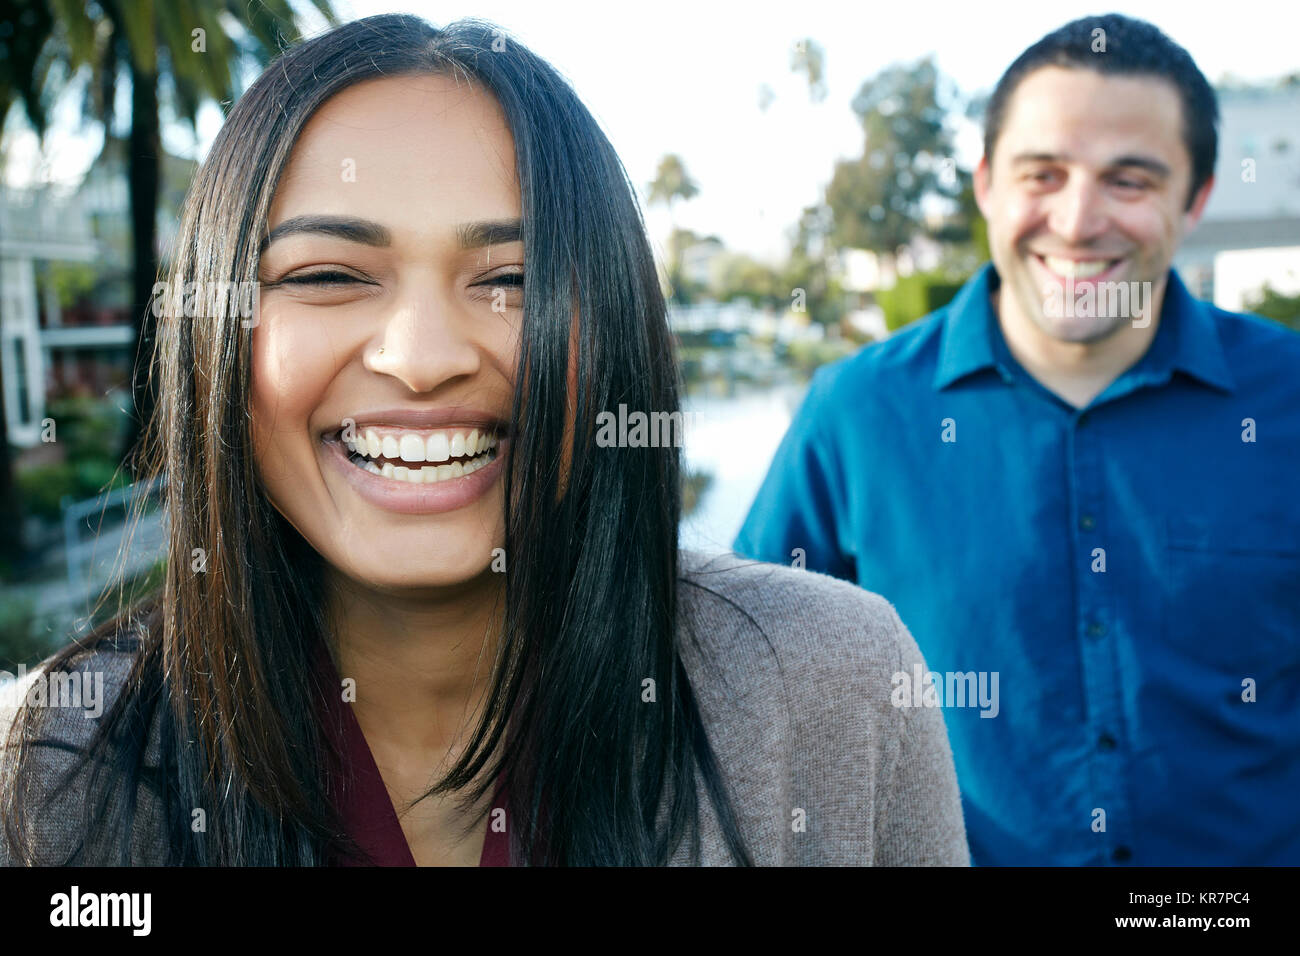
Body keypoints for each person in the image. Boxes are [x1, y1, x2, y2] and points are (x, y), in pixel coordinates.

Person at [0, 14, 967, 867]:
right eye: (330, 274)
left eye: (513, 279)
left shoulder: (832, 687)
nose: (422, 360)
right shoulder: (57, 769)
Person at [735, 13, 1300, 865]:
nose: (1077, 222)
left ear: (1197, 198)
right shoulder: (855, 415)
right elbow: (741, 690)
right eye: (1044, 174)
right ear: (987, 184)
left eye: (1130, 180)